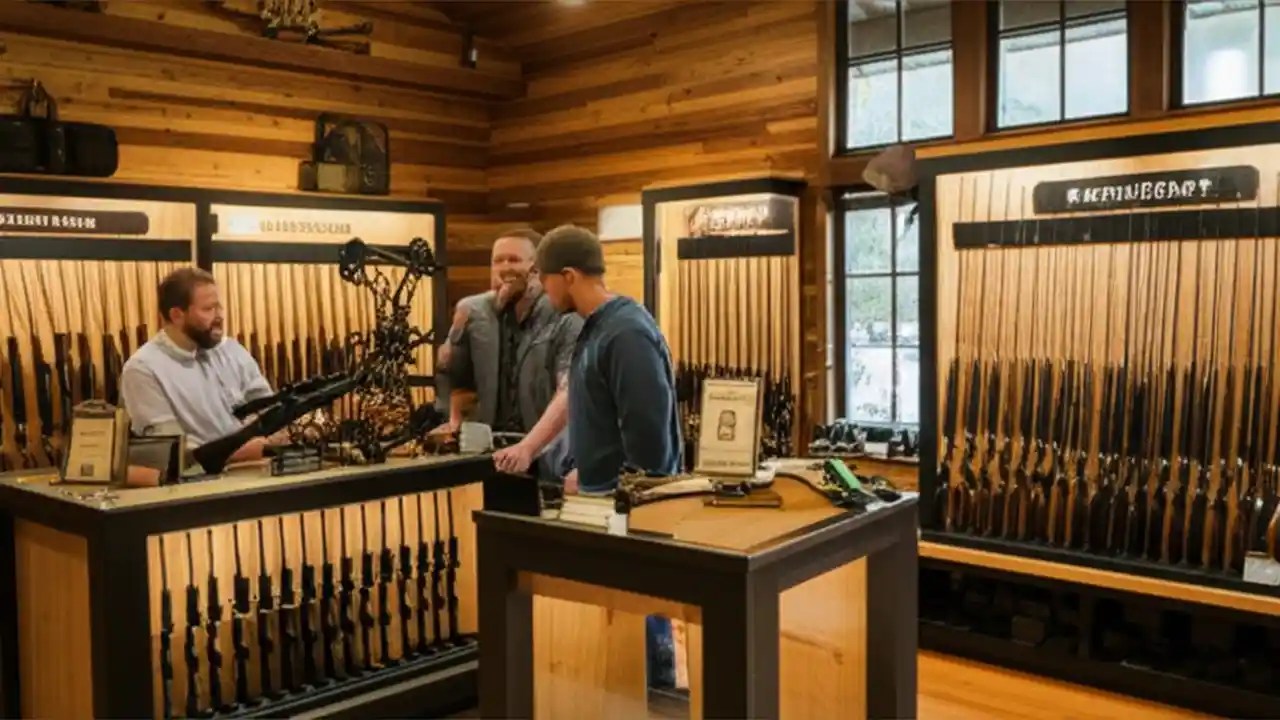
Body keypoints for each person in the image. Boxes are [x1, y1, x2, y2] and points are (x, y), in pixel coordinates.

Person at [535, 225, 681, 494]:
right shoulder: (595, 329)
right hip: (599, 500)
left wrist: (630, 495)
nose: (544, 291)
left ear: (568, 276)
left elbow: (648, 433)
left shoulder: (626, 333)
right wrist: (585, 471)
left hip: (628, 506)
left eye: (545, 280)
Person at [439, 228, 583, 479]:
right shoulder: (473, 312)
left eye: (514, 260)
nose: (505, 268)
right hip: (491, 453)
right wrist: (455, 423)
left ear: (537, 268)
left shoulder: (564, 315)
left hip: (549, 455)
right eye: (498, 260)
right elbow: (453, 376)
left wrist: (530, 447)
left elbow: (569, 390)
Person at [120, 267, 283, 465]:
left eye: (219, 307)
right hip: (202, 482)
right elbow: (167, 449)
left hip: (264, 470)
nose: (219, 316)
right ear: (177, 315)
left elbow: (268, 407)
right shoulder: (143, 369)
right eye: (208, 309)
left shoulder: (232, 350)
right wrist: (234, 453)